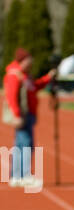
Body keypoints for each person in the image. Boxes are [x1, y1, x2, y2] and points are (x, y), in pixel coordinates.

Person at [3, 47, 56, 186]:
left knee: (21, 145)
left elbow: (34, 87)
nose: (31, 64)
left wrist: (47, 78)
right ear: (22, 61)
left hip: (27, 113)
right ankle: (23, 175)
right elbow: (11, 96)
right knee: (26, 144)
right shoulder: (15, 75)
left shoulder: (25, 74)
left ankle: (16, 176)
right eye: (29, 61)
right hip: (22, 115)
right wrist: (16, 115)